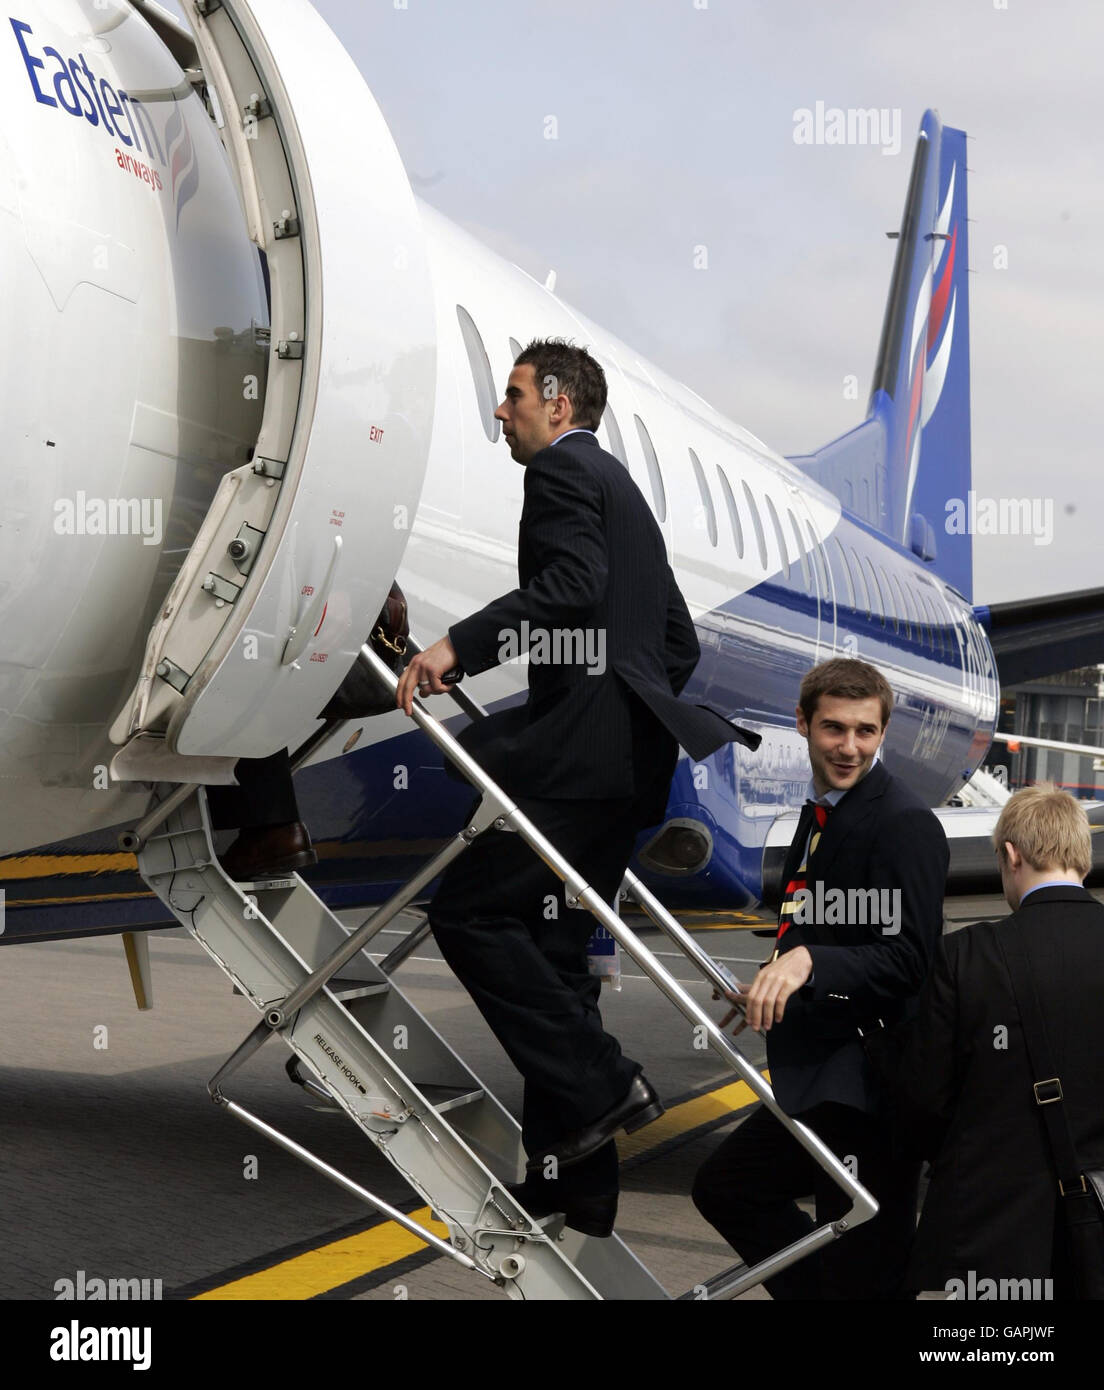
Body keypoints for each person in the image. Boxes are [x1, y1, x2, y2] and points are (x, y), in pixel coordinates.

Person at [396, 337, 758, 1237]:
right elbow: (678, 641)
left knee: (472, 913)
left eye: (512, 394)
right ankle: (576, 1186)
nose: (500, 412)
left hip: (577, 763)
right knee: (555, 954)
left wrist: (458, 648)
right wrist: (624, 706)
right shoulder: (626, 493)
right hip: (633, 769)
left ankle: (604, 1082)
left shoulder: (557, 478)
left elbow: (567, 585)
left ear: (559, 404)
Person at [691, 657, 949, 1297]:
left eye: (866, 731)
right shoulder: (821, 811)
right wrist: (775, 978)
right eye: (834, 729)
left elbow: (911, 958)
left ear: (882, 732)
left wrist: (810, 964)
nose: (850, 746)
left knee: (867, 1252)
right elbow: (828, 927)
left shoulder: (903, 823)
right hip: (830, 1075)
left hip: (873, 1084)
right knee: (737, 1192)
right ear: (802, 724)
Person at [894, 784, 1104, 1298]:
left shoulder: (965, 955)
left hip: (987, 1230)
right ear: (1083, 854)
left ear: (1011, 855)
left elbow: (922, 1098)